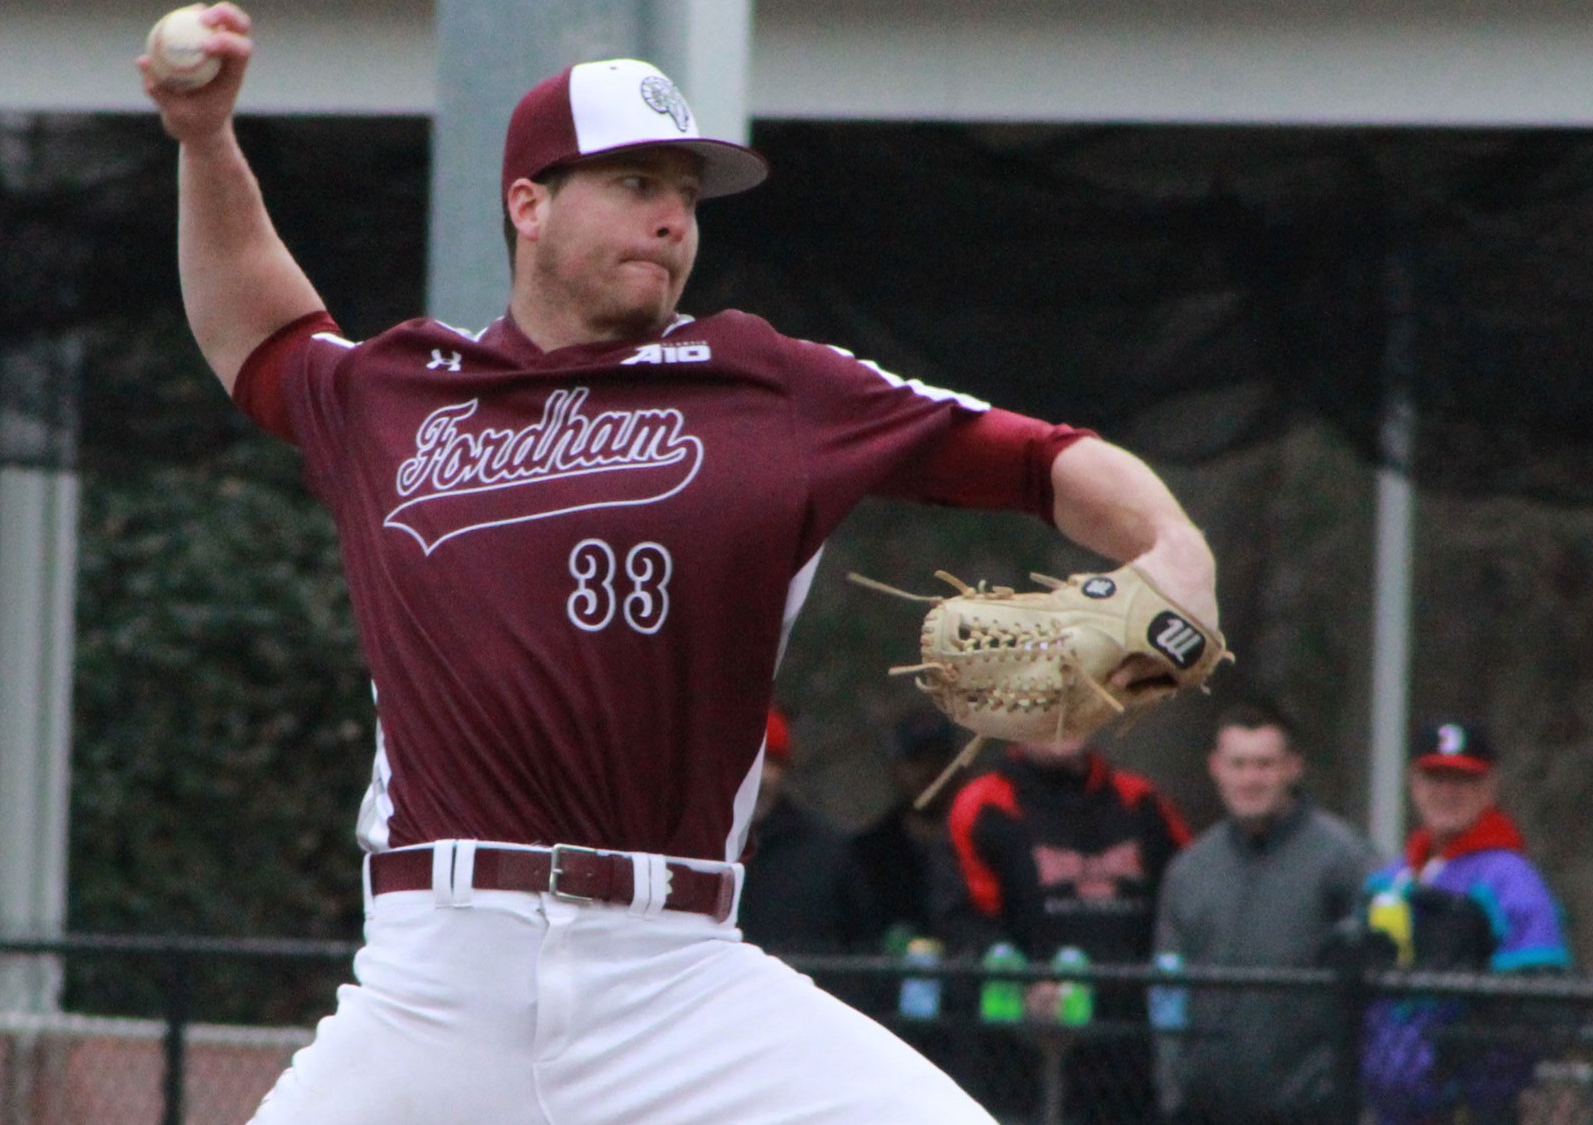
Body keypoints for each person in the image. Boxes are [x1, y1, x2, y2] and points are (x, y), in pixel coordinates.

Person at [141, 11, 1220, 1121]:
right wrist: (205, 139)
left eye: (686, 197)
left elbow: (1042, 460)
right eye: (634, 182)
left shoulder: (769, 387)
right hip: (435, 982)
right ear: (528, 201)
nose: (669, 218)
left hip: (672, 978)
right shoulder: (399, 395)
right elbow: (258, 335)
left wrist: (1173, 553)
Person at [935, 737, 1192, 1124]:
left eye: (1074, 710)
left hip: (1130, 1055)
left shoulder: (1141, 801)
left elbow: (1190, 900)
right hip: (1017, 1061)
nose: (1059, 729)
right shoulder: (983, 804)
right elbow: (960, 922)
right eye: (1047, 712)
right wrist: (1026, 986)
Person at [1155, 701, 1380, 1125]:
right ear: (1216, 768)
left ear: (1293, 768)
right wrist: (1173, 1089)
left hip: (1312, 1111)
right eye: (1238, 764)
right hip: (1206, 1110)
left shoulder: (1345, 859)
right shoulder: (1190, 871)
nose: (1250, 779)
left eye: (1264, 764)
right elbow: (1167, 987)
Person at [1361, 721, 1571, 1125]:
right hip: (1387, 1108)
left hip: (1469, 1111)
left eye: (1464, 779)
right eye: (1435, 777)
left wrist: (1471, 1070)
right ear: (1414, 783)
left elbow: (1540, 1002)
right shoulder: (1391, 880)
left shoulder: (1511, 880)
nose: (1448, 792)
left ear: (1490, 787)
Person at [737, 706, 876, 957]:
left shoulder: (827, 853)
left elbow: (861, 947)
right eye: (745, 759)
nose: (757, 776)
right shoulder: (696, 850)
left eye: (769, 761)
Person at [852, 708, 965, 952]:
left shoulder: (985, 839)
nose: (929, 771)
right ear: (895, 769)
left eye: (939, 760)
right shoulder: (868, 853)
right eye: (916, 760)